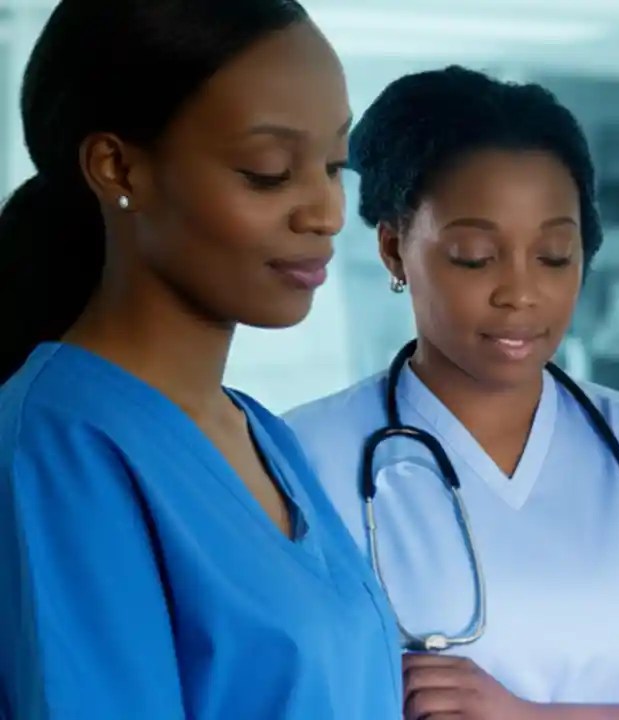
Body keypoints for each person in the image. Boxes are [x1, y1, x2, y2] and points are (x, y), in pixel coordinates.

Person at [284, 66, 619, 720]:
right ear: (395, 251)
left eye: (555, 256)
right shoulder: (303, 459)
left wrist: (525, 716)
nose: (520, 292)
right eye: (475, 257)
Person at [0, 2, 401, 718]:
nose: (328, 212)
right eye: (269, 172)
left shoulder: (262, 435)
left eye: (335, 165)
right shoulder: (60, 448)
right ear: (118, 166)